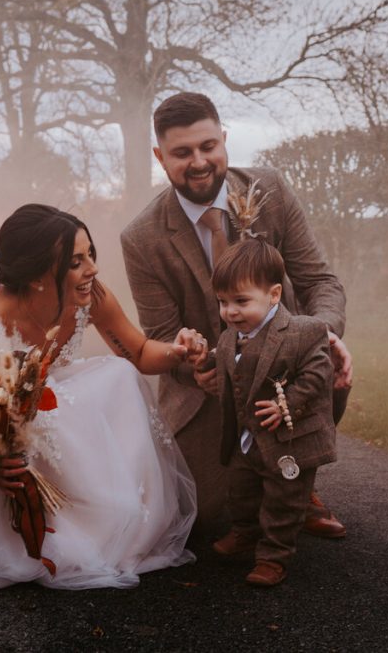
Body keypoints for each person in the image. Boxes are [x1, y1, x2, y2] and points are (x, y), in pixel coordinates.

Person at [0, 204, 203, 591]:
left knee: (118, 375)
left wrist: (178, 351)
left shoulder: (92, 296)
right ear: (36, 275)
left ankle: (111, 515)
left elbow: (138, 353)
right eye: (75, 262)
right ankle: (50, 529)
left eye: (90, 255)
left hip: (60, 410)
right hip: (5, 438)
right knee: (44, 413)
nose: (92, 270)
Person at [121, 91, 351, 536]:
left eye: (208, 146)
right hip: (206, 391)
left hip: (284, 365)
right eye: (182, 153)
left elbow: (321, 282)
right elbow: (162, 333)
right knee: (208, 516)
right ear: (160, 157)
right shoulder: (141, 238)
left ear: (224, 140)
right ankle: (262, 483)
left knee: (324, 361)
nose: (199, 162)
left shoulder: (271, 190)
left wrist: (323, 336)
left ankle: (294, 481)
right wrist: (192, 367)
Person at [208, 240, 336, 586]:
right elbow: (226, 367)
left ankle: (273, 555)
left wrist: (287, 402)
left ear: (274, 294)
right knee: (240, 492)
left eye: (241, 301)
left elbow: (319, 374)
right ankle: (246, 533)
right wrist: (197, 357)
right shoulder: (228, 338)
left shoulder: (303, 331)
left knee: (284, 501)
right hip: (246, 442)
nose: (230, 311)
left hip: (287, 442)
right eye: (223, 302)